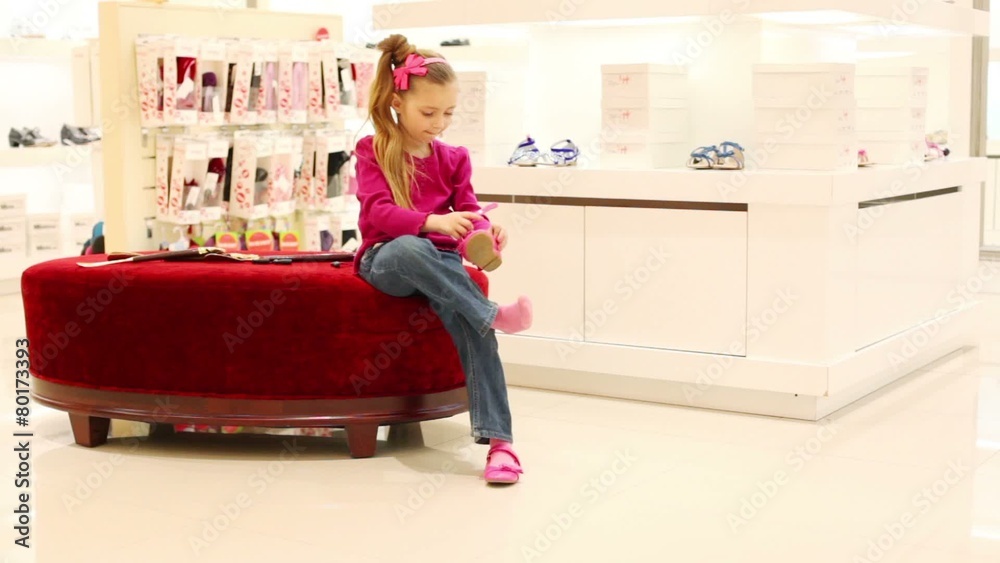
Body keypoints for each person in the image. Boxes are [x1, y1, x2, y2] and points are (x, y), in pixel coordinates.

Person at [353, 33, 531, 485]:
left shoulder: (454, 158)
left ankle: (501, 445)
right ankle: (492, 313)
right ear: (398, 101)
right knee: (413, 248)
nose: (439, 124)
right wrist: (432, 222)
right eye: (428, 113)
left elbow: (469, 213)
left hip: (441, 262)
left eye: (448, 113)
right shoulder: (374, 149)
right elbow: (377, 213)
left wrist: (486, 231)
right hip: (388, 259)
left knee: (474, 328)